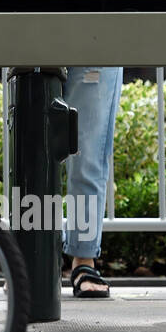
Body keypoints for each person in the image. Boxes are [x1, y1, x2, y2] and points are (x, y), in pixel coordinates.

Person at [63, 67, 123, 298]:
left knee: (87, 155)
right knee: (31, 152)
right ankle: (29, 255)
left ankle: (84, 257)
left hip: (98, 38)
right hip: (31, 34)